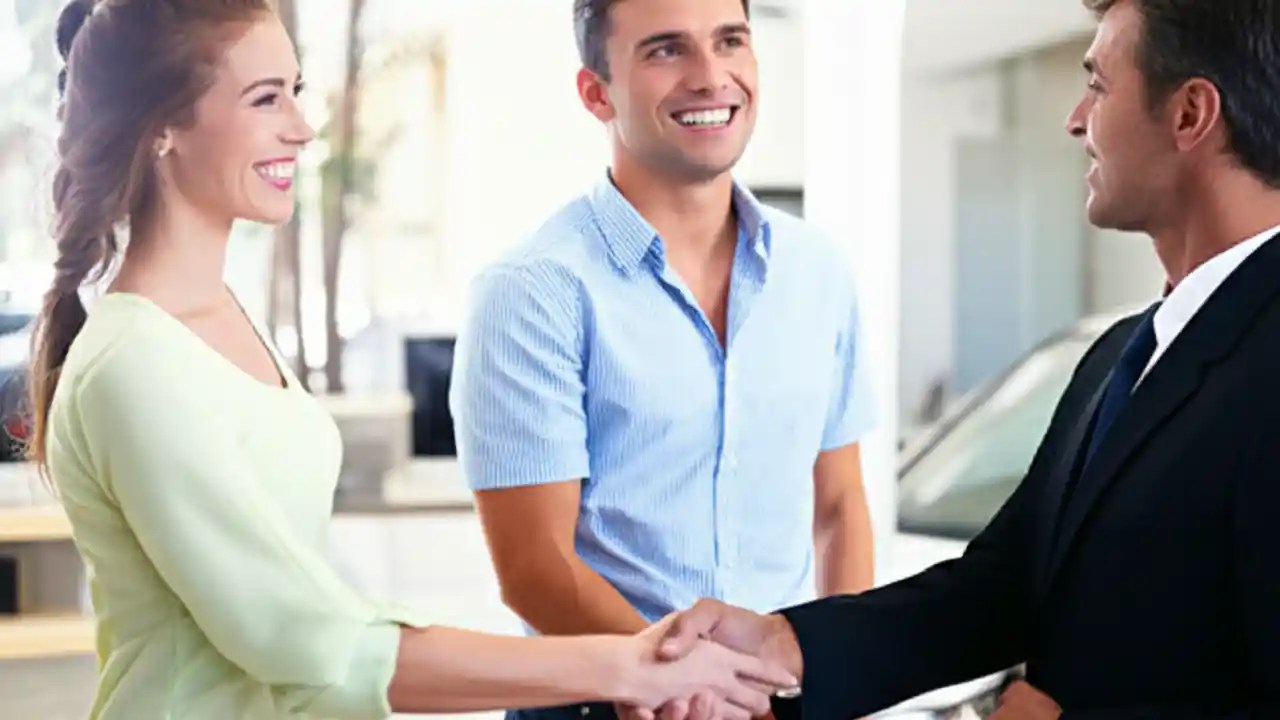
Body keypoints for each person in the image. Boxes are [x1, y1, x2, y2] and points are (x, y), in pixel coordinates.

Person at [25, 2, 794, 719]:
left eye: (296, 91)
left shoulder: (216, 319)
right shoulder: (135, 366)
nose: (301, 127)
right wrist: (626, 667)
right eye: (265, 99)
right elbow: (301, 637)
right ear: (163, 126)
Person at [653, 1, 1280, 718]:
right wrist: (785, 649)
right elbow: (1005, 586)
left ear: (1190, 114)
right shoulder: (1118, 355)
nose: (1076, 120)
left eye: (1098, 87)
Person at [448, 0, 877, 717]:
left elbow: (838, 506)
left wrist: (841, 678)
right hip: (602, 704)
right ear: (597, 92)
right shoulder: (532, 293)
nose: (712, 77)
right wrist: (687, 682)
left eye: (730, 41)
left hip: (782, 703)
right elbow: (535, 567)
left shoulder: (818, 272)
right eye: (665, 51)